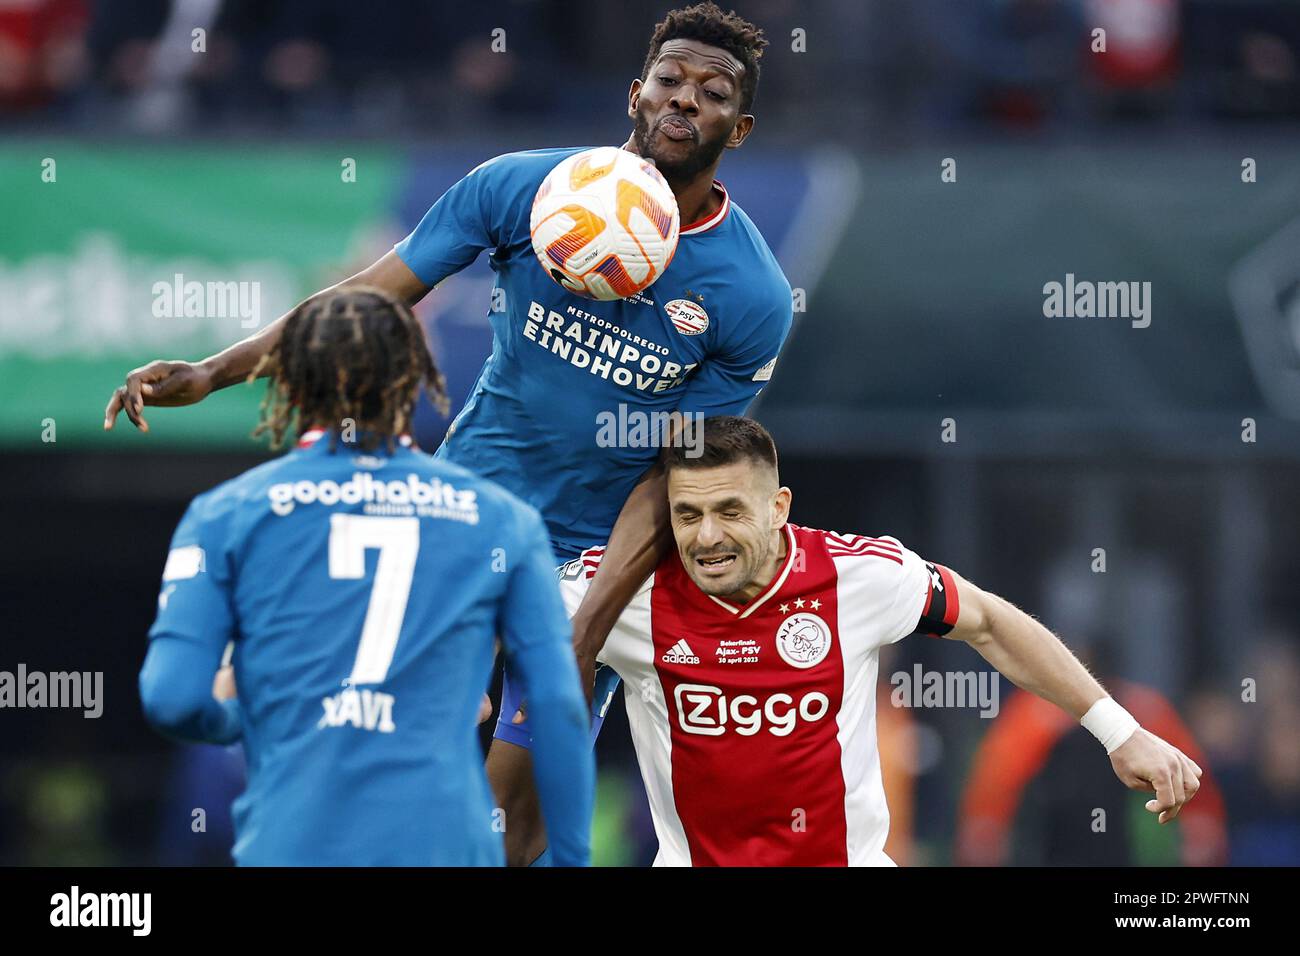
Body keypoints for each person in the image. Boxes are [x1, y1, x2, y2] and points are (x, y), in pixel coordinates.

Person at [103, 2, 789, 866]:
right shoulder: (520, 188)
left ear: (743, 125)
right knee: (381, 751)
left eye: (713, 92)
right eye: (669, 80)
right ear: (634, 93)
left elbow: (680, 477)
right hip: (467, 512)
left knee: (516, 823)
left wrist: (583, 630)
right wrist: (216, 371)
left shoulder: (750, 293)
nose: (685, 101)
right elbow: (368, 295)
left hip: (596, 554)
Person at [557, 416, 1204, 865]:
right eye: (687, 515)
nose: (706, 538)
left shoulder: (858, 575)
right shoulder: (621, 594)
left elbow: (990, 621)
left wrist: (1122, 732)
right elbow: (490, 615)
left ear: (779, 508)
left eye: (730, 512)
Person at [138, 287, 593, 866]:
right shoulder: (501, 519)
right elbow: (558, 707)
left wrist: (246, 713)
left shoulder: (226, 513)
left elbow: (172, 701)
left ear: (292, 384)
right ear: (416, 382)